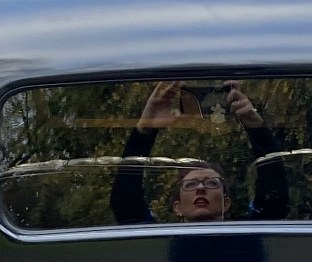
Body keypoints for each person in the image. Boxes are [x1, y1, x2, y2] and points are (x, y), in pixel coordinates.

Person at [110, 79, 290, 225]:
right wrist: (145, 128)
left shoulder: (247, 236)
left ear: (226, 203)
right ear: (177, 206)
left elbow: (274, 202)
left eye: (212, 183)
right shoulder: (161, 243)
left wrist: (255, 126)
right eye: (190, 185)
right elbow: (125, 205)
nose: (201, 188)